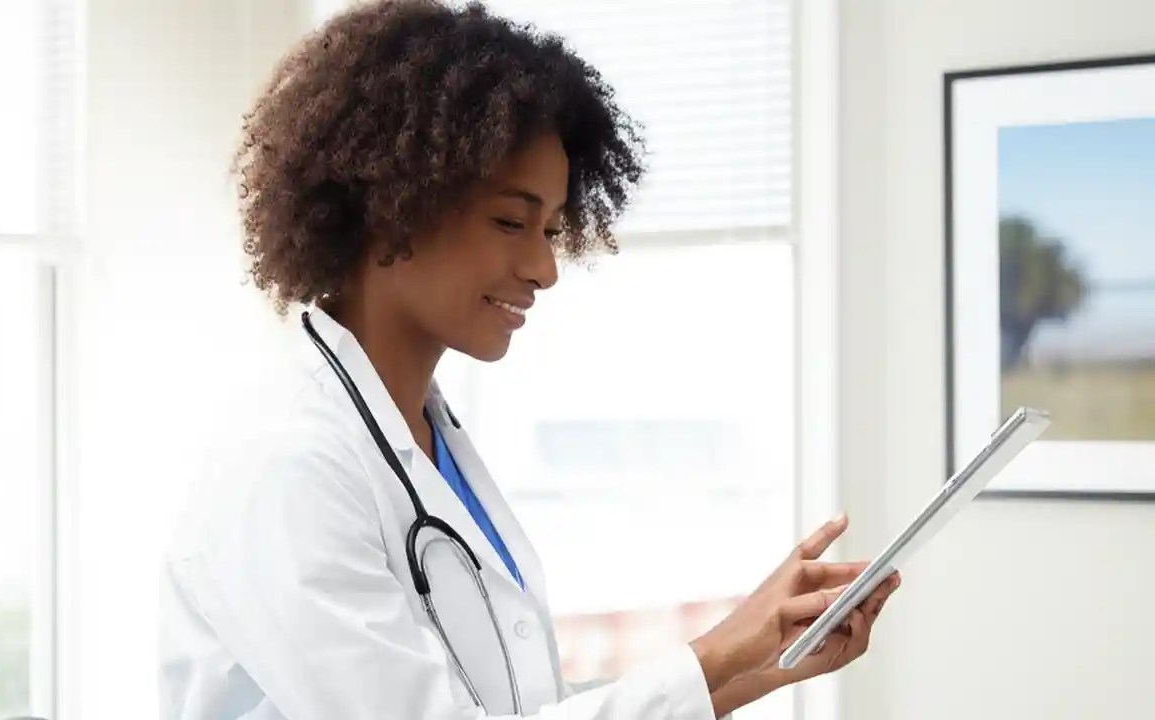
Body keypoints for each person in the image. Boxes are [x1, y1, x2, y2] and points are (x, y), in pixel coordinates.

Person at [158, 1, 900, 718]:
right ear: (390, 208)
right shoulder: (286, 468)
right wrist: (716, 655)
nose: (546, 268)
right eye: (513, 222)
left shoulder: (428, 444)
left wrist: (752, 666)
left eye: (550, 227)